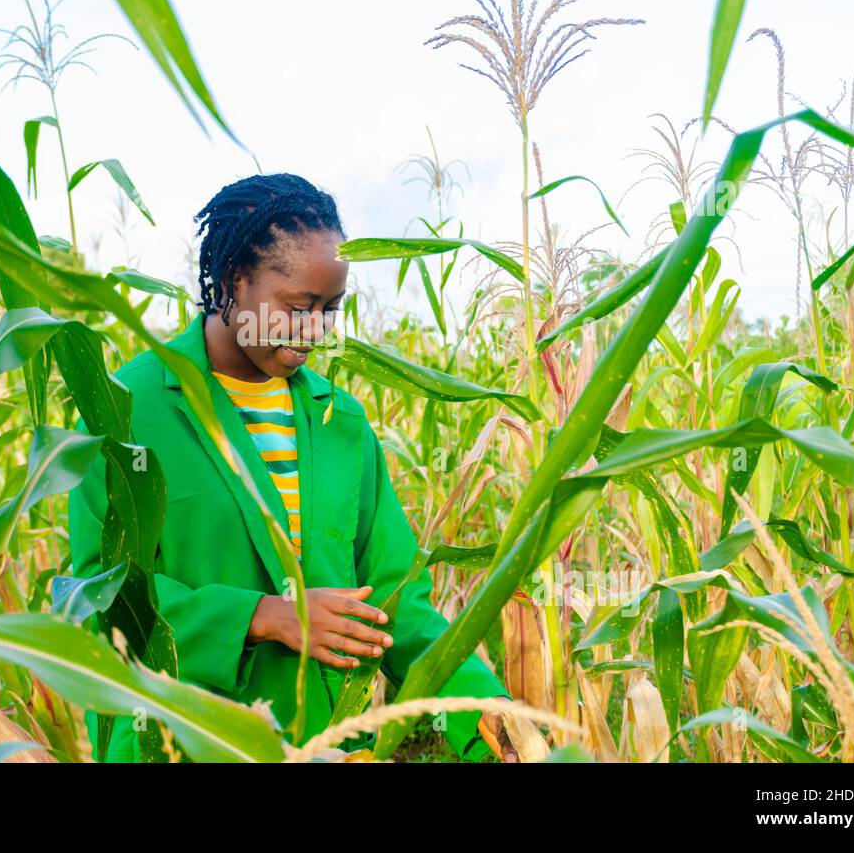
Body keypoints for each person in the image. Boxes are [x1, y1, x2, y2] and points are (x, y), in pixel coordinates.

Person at [67, 172, 517, 762]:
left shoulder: (343, 424)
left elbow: (396, 605)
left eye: (331, 310)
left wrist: (496, 725)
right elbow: (95, 601)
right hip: (179, 745)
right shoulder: (125, 409)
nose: (316, 332)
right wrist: (263, 617)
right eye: (298, 308)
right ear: (233, 282)